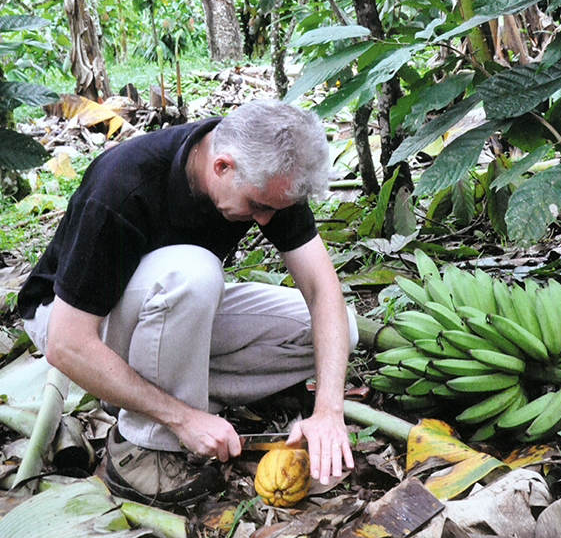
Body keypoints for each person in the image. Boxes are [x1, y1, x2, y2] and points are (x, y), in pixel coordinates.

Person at [18, 99, 358, 507]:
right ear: (222, 167)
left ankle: (156, 387)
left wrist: (329, 410)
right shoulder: (124, 184)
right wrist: (184, 419)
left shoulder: (268, 177)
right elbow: (65, 343)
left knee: (337, 331)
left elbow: (323, 292)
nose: (265, 220)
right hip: (69, 318)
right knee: (194, 273)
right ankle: (144, 445)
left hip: (167, 307)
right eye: (258, 207)